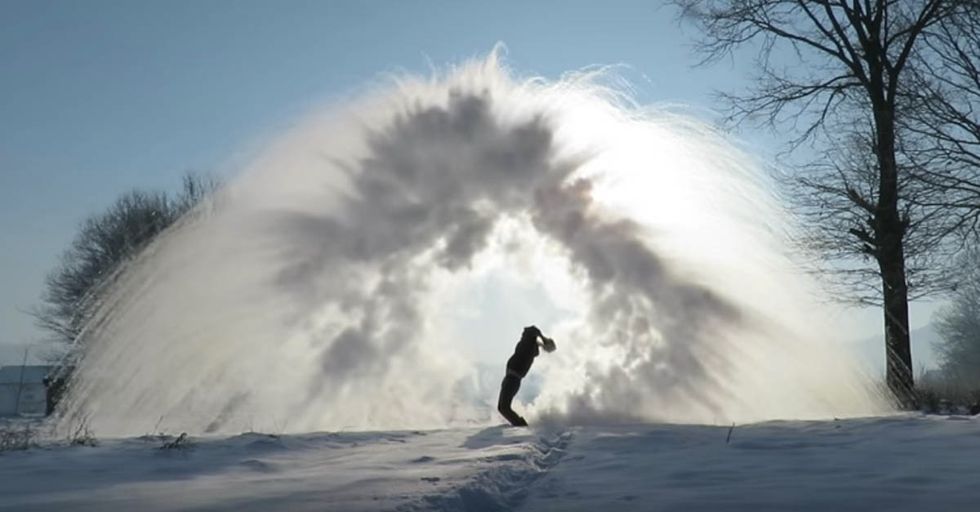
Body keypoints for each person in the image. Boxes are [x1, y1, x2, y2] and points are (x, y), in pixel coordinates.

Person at [497, 325, 556, 427]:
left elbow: (533, 329)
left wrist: (544, 339)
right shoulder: (531, 344)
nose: (523, 331)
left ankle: (521, 426)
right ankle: (520, 425)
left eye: (524, 333)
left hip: (512, 379)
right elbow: (532, 332)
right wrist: (543, 343)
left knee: (503, 407)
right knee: (503, 407)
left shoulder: (529, 342)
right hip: (511, 378)